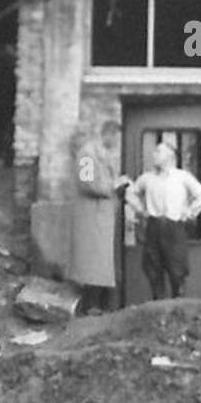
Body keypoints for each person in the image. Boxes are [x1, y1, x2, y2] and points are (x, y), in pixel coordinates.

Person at [124, 141, 201, 299]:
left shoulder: (182, 177)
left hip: (174, 227)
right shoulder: (147, 178)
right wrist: (141, 210)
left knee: (177, 270)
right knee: (153, 269)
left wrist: (190, 212)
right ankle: (157, 307)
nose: (154, 155)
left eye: (158, 152)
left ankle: (177, 307)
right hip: (153, 226)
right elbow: (130, 193)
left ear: (169, 156)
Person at [70, 120, 131, 307]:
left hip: (103, 214)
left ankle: (99, 303)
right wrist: (113, 185)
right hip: (92, 215)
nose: (115, 143)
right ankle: (91, 305)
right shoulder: (87, 155)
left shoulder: (101, 154)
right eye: (115, 138)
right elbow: (86, 183)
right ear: (108, 134)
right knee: (94, 260)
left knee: (101, 261)